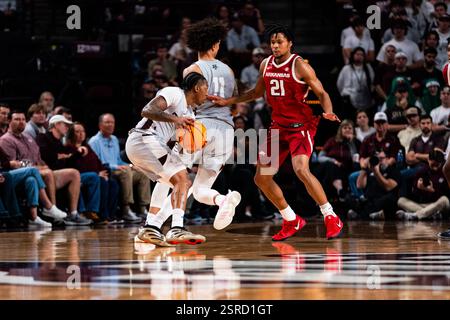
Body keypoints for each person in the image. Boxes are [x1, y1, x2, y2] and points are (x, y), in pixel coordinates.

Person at [210, 24, 343, 240]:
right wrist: (228, 101)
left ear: (290, 43)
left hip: (301, 126)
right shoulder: (265, 64)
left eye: (279, 41)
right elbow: (255, 92)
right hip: (278, 126)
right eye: (272, 42)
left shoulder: (300, 66)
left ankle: (330, 215)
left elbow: (321, 92)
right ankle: (291, 219)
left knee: (301, 169)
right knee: (261, 178)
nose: (275, 45)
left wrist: (328, 111)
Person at [143, 18, 242, 235]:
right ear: (216, 44)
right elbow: (235, 108)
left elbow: (189, 101)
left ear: (195, 44)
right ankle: (222, 199)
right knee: (199, 190)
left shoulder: (192, 69)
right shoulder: (228, 71)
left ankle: (151, 224)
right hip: (226, 130)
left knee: (169, 177)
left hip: (200, 128)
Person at [128, 72, 209, 246]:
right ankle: (177, 228)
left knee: (169, 181)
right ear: (196, 87)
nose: (207, 94)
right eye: (206, 89)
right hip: (143, 138)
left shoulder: (190, 115)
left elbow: (175, 146)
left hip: (150, 145)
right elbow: (147, 110)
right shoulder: (174, 93)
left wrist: (196, 147)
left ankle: (150, 228)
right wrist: (175, 119)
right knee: (183, 180)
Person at [89, 113, 149, 223]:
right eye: (107, 122)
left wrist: (131, 165)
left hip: (119, 169)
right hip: (108, 171)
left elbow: (118, 160)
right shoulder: (94, 141)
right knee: (126, 171)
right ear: (100, 125)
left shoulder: (114, 139)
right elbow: (96, 163)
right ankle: (126, 209)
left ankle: (142, 208)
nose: (110, 125)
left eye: (112, 122)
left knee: (142, 172)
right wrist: (118, 167)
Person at [36, 115, 93, 226]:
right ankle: (52, 210)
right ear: (56, 125)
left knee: (75, 173)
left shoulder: (59, 143)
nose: (67, 128)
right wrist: (60, 157)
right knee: (69, 173)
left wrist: (76, 154)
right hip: (43, 173)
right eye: (65, 125)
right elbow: (46, 157)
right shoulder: (42, 137)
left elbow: (66, 161)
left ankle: (73, 214)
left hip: (54, 173)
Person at [66, 122, 119, 224]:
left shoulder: (88, 147)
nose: (81, 134)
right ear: (71, 133)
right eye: (77, 131)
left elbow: (97, 162)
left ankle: (109, 215)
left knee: (112, 183)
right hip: (78, 176)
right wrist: (97, 173)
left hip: (92, 175)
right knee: (96, 178)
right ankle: (92, 211)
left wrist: (103, 171)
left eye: (83, 131)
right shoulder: (69, 148)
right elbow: (74, 167)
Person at [398, 149, 449, 220]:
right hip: (425, 205)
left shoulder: (445, 172)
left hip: (438, 204)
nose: (435, 168)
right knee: (401, 200)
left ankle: (417, 215)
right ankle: (431, 215)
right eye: (433, 165)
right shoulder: (422, 171)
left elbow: (447, 194)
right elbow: (414, 193)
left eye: (438, 165)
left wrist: (433, 191)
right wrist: (419, 188)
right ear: (428, 160)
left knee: (444, 200)